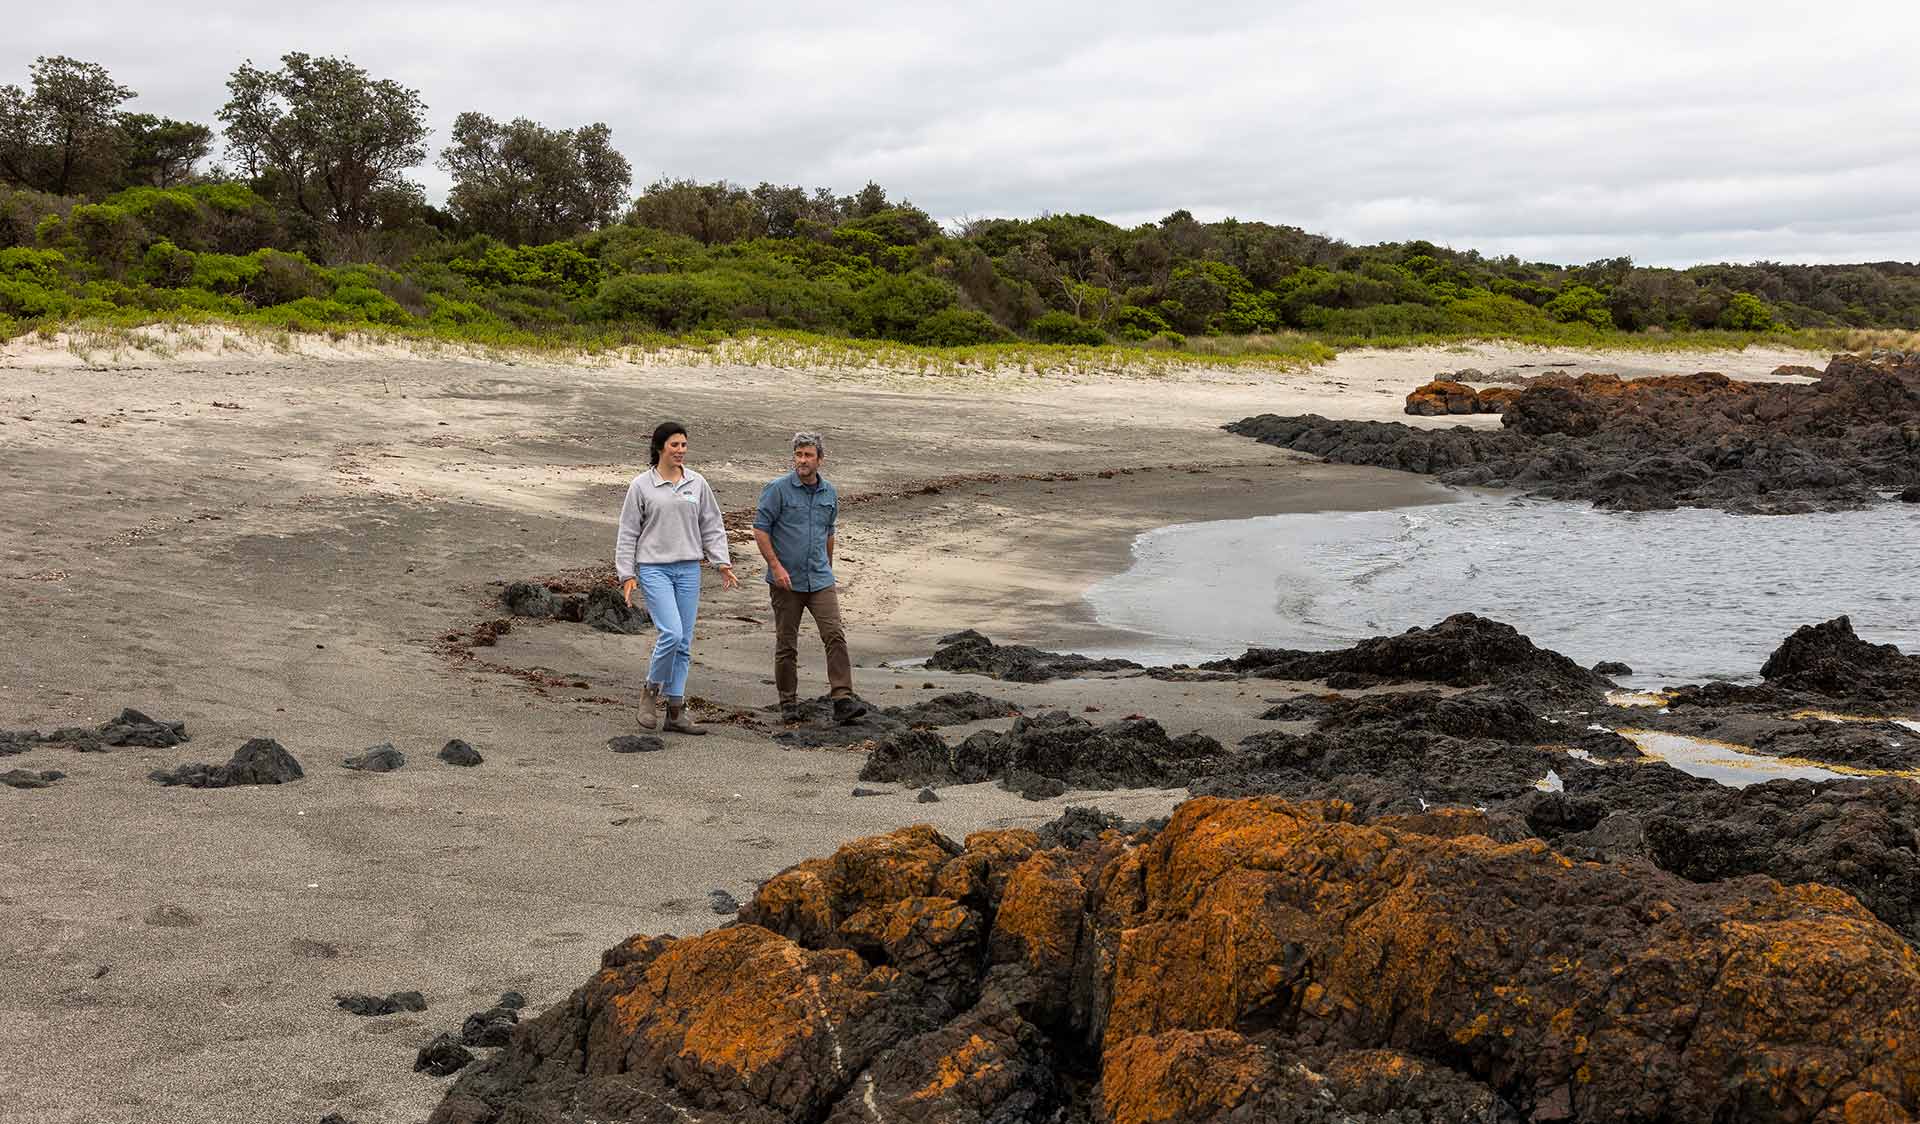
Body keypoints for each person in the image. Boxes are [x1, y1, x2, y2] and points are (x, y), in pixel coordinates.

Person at [614, 421, 738, 734]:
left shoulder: (697, 483)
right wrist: (627, 574)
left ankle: (675, 710)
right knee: (670, 632)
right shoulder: (641, 486)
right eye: (675, 445)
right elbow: (628, 532)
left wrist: (721, 562)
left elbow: (711, 524)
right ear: (660, 448)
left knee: (684, 642)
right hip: (654, 568)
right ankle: (650, 692)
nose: (681, 450)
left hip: (688, 568)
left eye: (684, 445)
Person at [753, 431, 867, 724]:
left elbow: (829, 532)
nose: (802, 461)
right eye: (799, 455)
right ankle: (788, 702)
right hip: (786, 581)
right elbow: (760, 529)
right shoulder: (777, 489)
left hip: (820, 579)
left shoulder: (829, 492)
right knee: (786, 644)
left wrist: (827, 568)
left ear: (820, 459)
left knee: (835, 635)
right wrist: (776, 567)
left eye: (808, 456)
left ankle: (842, 698)